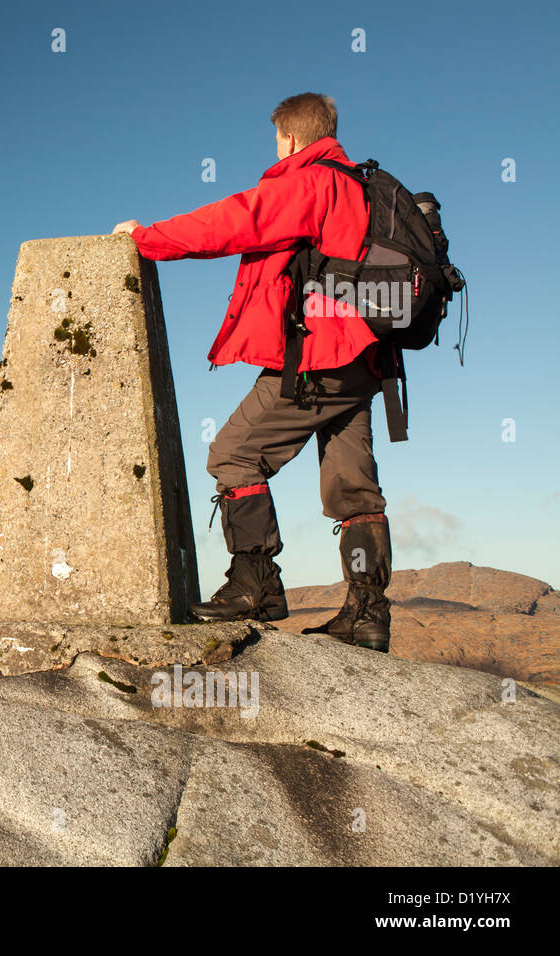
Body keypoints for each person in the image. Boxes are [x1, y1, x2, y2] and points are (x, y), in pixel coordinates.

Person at [112, 92, 393, 652]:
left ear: (289, 138)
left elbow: (236, 221)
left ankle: (256, 586)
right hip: (369, 359)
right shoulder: (366, 187)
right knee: (354, 486)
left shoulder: (310, 182)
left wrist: (146, 238)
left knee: (234, 455)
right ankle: (367, 614)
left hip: (321, 355)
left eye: (276, 140)